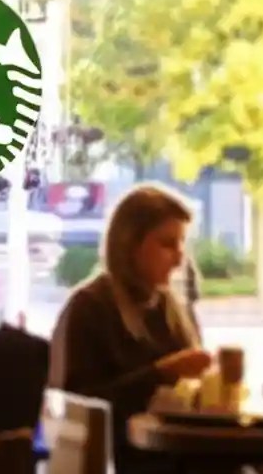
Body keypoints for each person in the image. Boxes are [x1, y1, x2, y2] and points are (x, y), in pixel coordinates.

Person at [48, 183, 210, 474]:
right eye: (167, 244)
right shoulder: (89, 308)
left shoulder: (173, 310)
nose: (178, 257)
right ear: (129, 244)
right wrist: (161, 373)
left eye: (181, 243)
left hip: (180, 456)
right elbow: (79, 410)